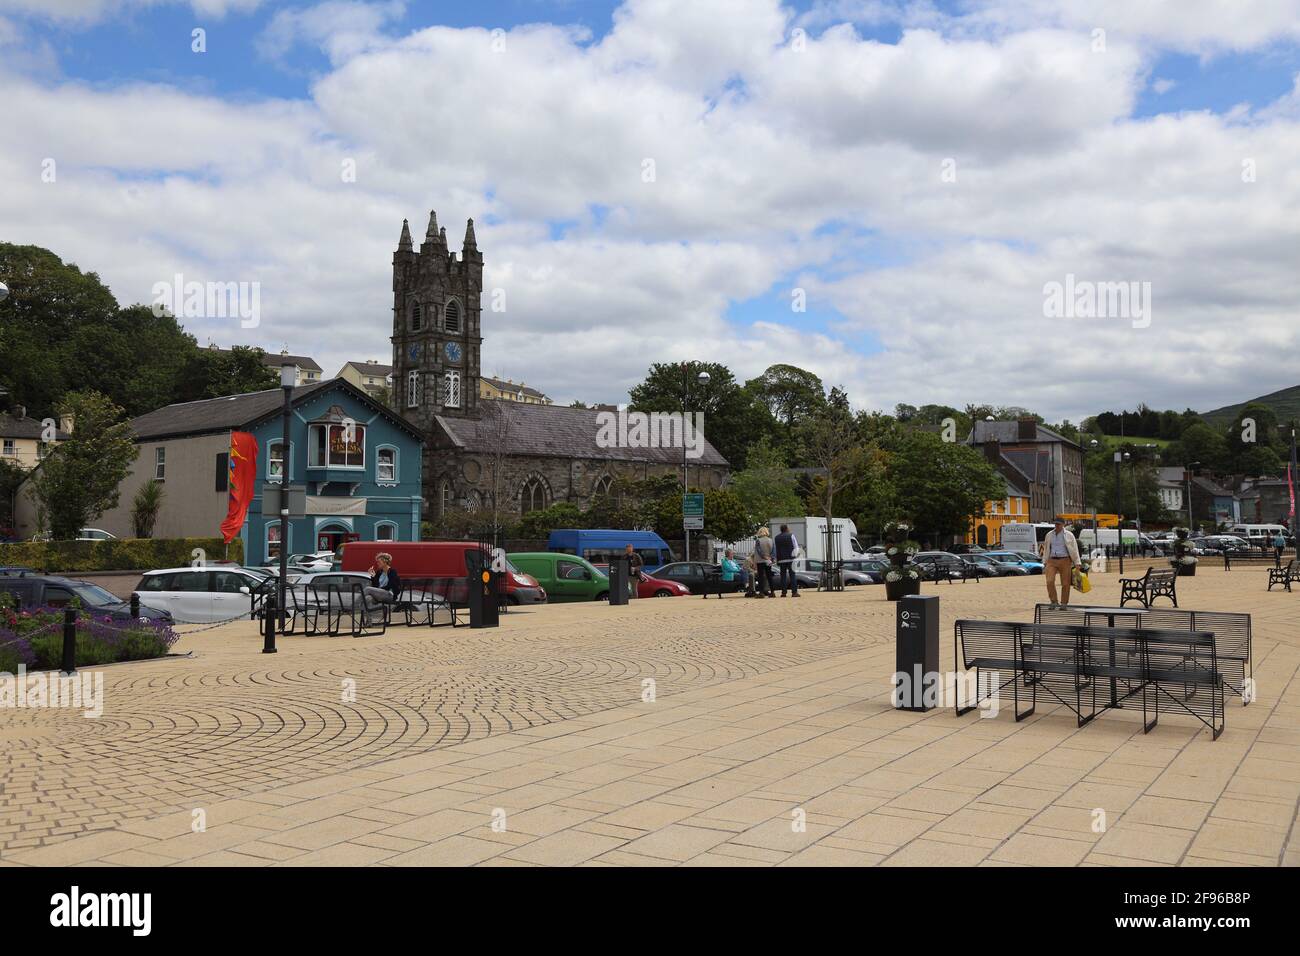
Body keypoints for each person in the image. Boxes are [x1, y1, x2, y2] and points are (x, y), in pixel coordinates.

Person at [1039, 518, 1081, 607]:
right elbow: (1046, 548)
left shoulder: (1069, 535)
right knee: (1049, 581)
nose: (1056, 526)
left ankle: (1064, 603)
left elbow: (1074, 549)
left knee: (1065, 583)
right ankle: (1054, 601)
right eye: (1055, 524)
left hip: (1065, 560)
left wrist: (1077, 563)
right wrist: (1045, 561)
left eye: (1058, 524)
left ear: (1063, 525)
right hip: (1051, 560)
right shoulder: (1049, 535)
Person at [363, 552, 401, 621]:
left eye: (379, 562)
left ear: (385, 562)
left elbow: (390, 586)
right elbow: (375, 586)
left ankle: (355, 606)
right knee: (367, 598)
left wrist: (378, 590)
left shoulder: (392, 572)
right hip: (380, 594)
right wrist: (373, 576)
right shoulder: (379, 572)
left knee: (367, 589)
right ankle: (368, 621)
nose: (377, 564)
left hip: (389, 595)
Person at [774, 523, 800, 597]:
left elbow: (777, 549)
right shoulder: (791, 535)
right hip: (791, 559)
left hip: (781, 559)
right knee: (792, 576)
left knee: (783, 576)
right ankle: (794, 592)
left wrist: (777, 558)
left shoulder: (776, 538)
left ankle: (783, 592)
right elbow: (796, 547)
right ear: (787, 528)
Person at [753, 527, 775, 598]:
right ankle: (772, 592)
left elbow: (759, 550)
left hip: (760, 560)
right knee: (769, 576)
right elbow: (773, 551)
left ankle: (761, 593)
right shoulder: (771, 540)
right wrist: (771, 558)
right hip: (769, 560)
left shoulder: (758, 540)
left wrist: (764, 556)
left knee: (761, 577)